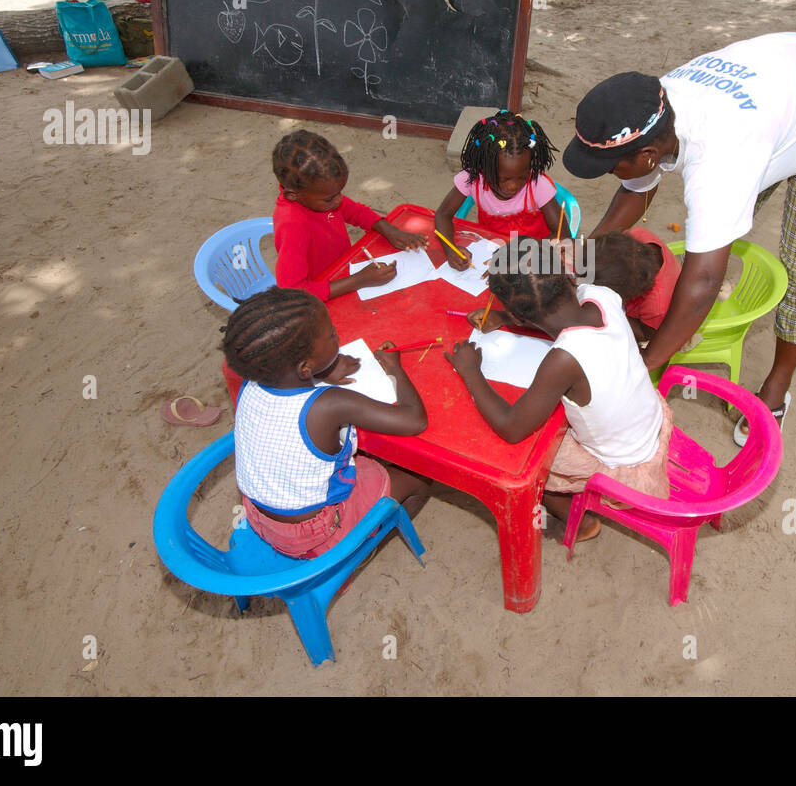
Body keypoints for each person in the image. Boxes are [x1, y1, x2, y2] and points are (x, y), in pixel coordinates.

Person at [563, 32, 796, 444]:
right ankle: (680, 324)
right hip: (791, 92)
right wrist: (581, 257)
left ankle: (776, 391)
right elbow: (637, 188)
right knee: (716, 229)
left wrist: (648, 362)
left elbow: (703, 280)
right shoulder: (653, 106)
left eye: (610, 166)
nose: (608, 174)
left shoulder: (720, 159)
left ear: (648, 154)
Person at [445, 238, 672, 541]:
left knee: (521, 459)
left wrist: (471, 372)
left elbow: (512, 428)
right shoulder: (601, 295)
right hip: (649, 424)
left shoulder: (563, 360)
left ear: (519, 316)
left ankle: (574, 518)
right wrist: (504, 318)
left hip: (624, 464)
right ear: (567, 276)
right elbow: (571, 327)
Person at [223, 286, 431, 559]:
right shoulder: (330, 404)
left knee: (362, 460)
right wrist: (395, 369)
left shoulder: (254, 381)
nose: (337, 335)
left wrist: (322, 371)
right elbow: (414, 420)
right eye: (332, 334)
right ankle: (359, 549)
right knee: (420, 480)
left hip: (261, 516)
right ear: (304, 368)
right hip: (316, 532)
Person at [272, 129, 427, 301]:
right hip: (322, 297)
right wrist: (359, 280)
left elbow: (355, 211)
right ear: (293, 194)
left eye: (340, 192)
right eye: (331, 197)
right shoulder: (293, 226)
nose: (339, 200)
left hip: (342, 272)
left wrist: (389, 230)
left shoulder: (319, 197)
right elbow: (294, 292)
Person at [433, 110, 572, 269]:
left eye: (522, 176)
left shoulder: (537, 185)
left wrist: (518, 253)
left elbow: (563, 235)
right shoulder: (472, 178)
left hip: (535, 253)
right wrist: (450, 249)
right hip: (491, 250)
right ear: (482, 167)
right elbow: (443, 215)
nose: (513, 186)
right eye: (503, 179)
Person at [588, 227, 681, 342]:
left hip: (643, 325)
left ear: (624, 296)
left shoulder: (657, 308)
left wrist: (609, 316)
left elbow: (645, 334)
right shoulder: (638, 234)